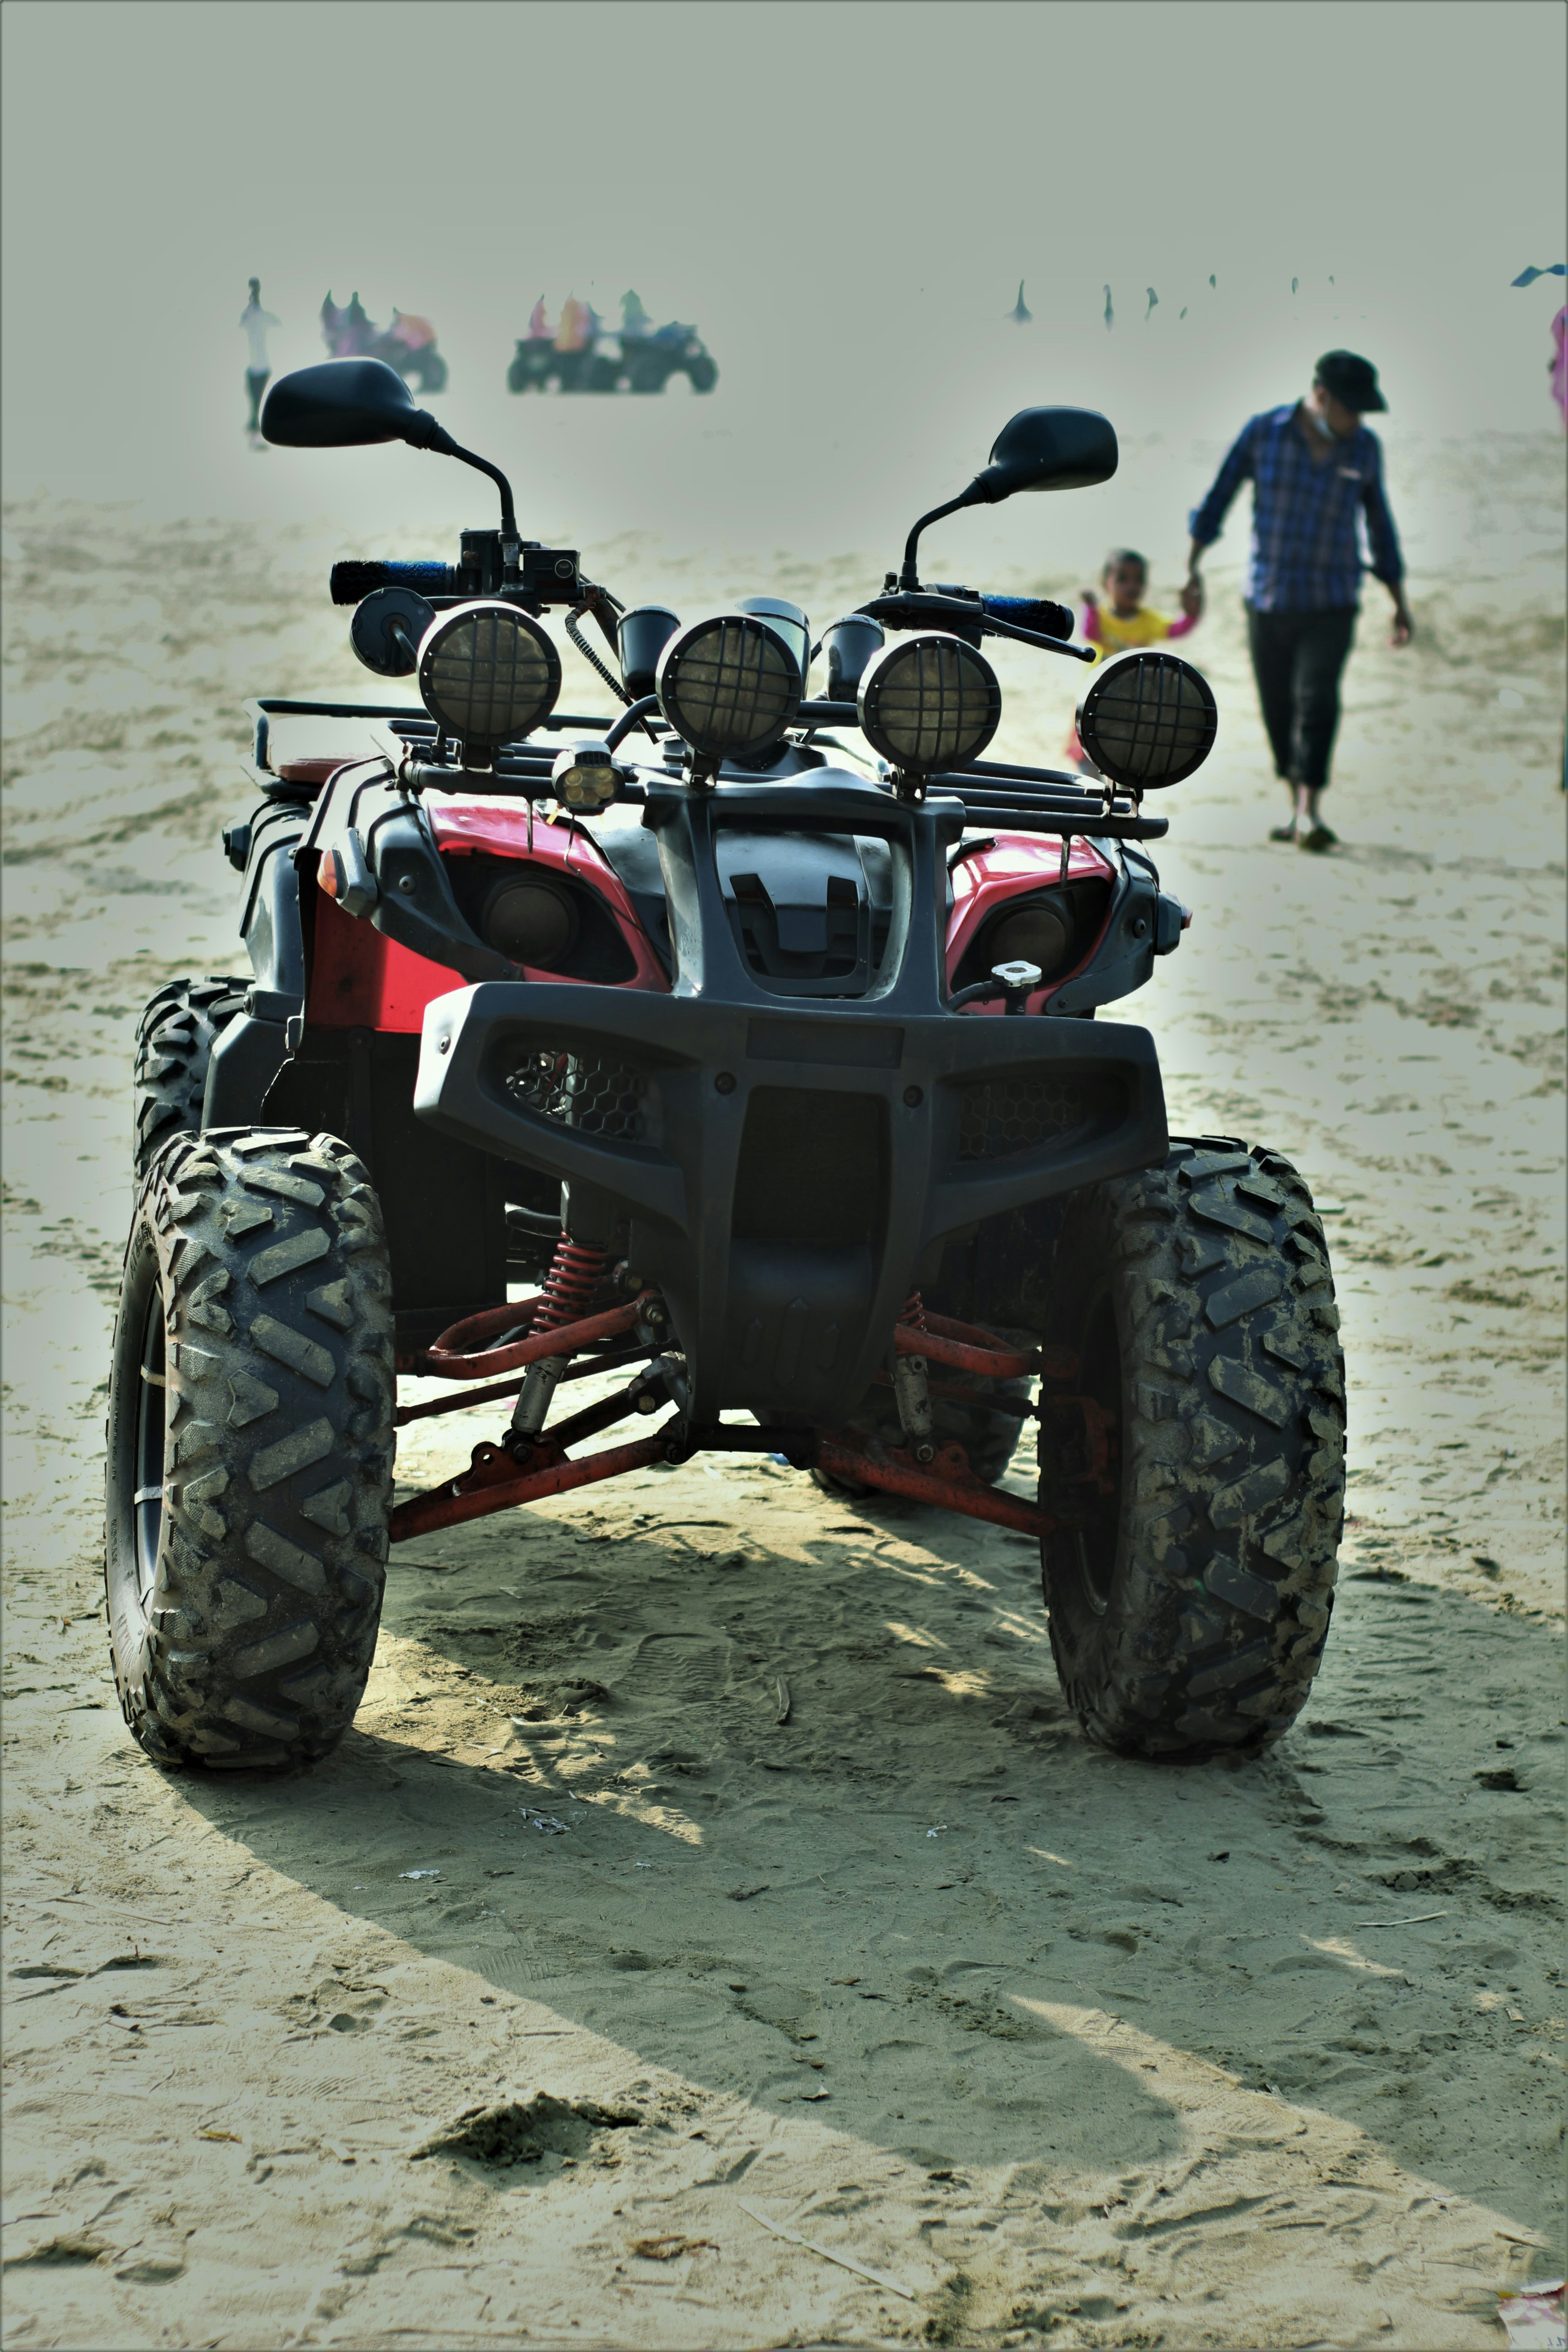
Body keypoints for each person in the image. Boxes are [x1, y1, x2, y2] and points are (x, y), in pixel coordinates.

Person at [1186, 350, 1412, 851]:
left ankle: (1309, 812)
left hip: (1333, 600)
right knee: (1278, 710)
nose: (1358, 422)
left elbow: (1381, 526)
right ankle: (1295, 807)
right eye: (1352, 410)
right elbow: (1218, 497)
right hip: (1268, 598)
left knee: (1317, 702)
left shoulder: (1364, 450)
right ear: (1323, 397)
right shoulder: (1263, 433)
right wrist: (1193, 567)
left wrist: (1399, 601)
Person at [1064, 550, 1201, 768]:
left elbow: (1176, 629)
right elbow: (1091, 633)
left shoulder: (1148, 620)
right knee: (1087, 760)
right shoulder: (1102, 616)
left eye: (1139, 580)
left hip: (1133, 704)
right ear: (1105, 583)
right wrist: (1090, 608)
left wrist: (1192, 615)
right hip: (1095, 698)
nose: (1132, 586)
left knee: (1126, 761)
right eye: (1122, 579)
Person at [239, 278, 279, 436]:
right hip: (255, 367)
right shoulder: (252, 315)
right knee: (255, 400)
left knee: (259, 399)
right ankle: (256, 427)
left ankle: (258, 427)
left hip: (262, 366)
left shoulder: (260, 316)